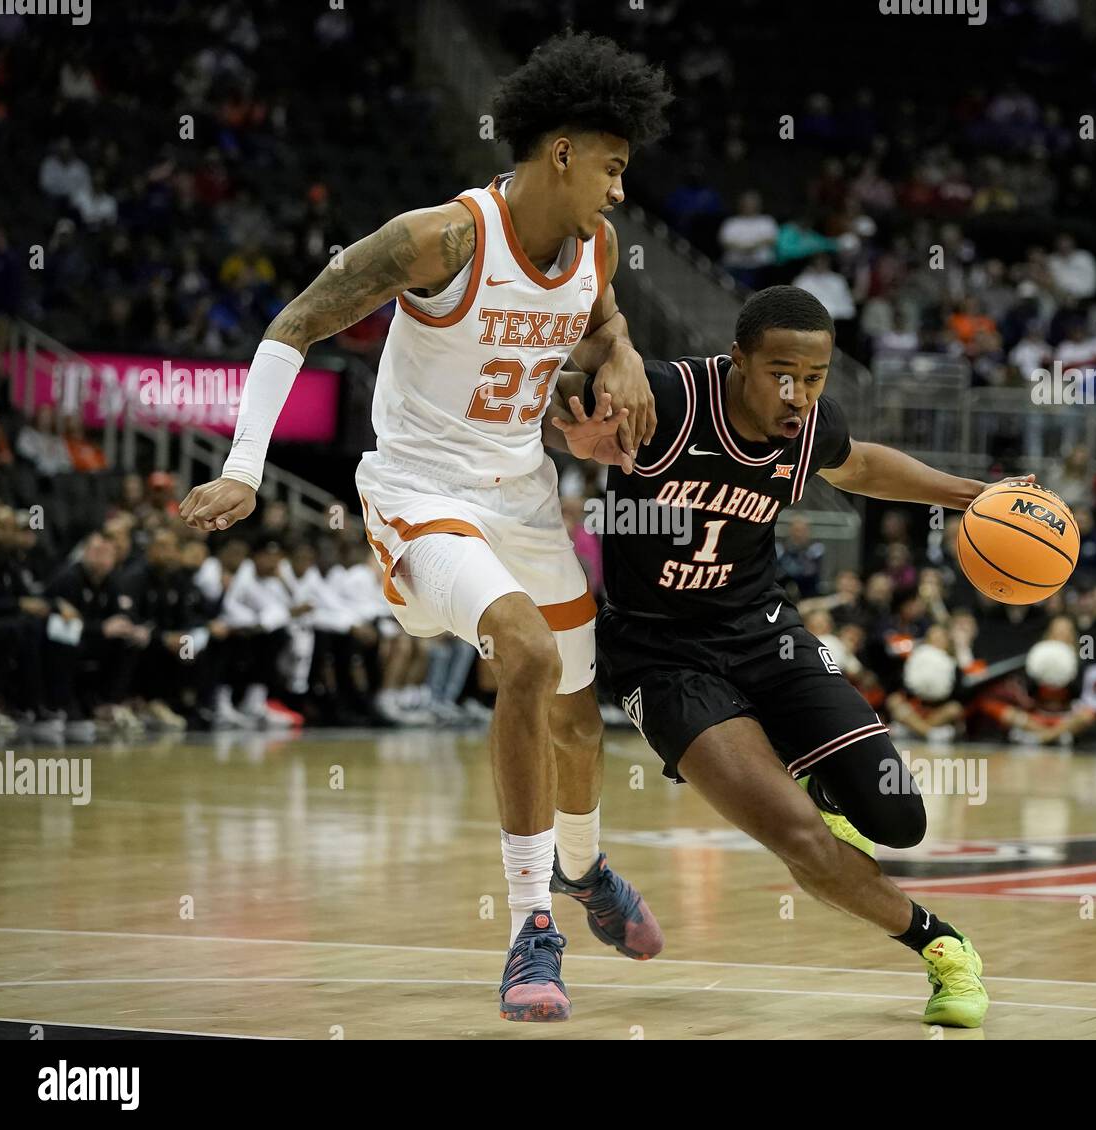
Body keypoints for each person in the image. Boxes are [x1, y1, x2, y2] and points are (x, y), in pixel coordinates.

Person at [179, 33, 672, 1023]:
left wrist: (615, 362)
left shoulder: (596, 249)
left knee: (580, 709)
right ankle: (532, 926)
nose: (620, 192)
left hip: (523, 491)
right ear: (564, 152)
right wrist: (241, 468)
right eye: (612, 167)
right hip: (419, 491)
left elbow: (598, 323)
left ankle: (584, 869)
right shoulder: (440, 238)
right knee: (526, 657)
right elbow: (298, 320)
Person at [550, 287, 999, 1027]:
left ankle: (820, 785)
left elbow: (857, 465)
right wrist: (597, 373)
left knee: (899, 818)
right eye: (780, 373)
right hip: (658, 655)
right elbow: (557, 389)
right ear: (738, 364)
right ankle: (940, 944)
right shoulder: (665, 396)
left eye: (815, 377)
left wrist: (970, 494)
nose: (798, 394)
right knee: (798, 838)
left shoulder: (811, 426)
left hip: (763, 631)